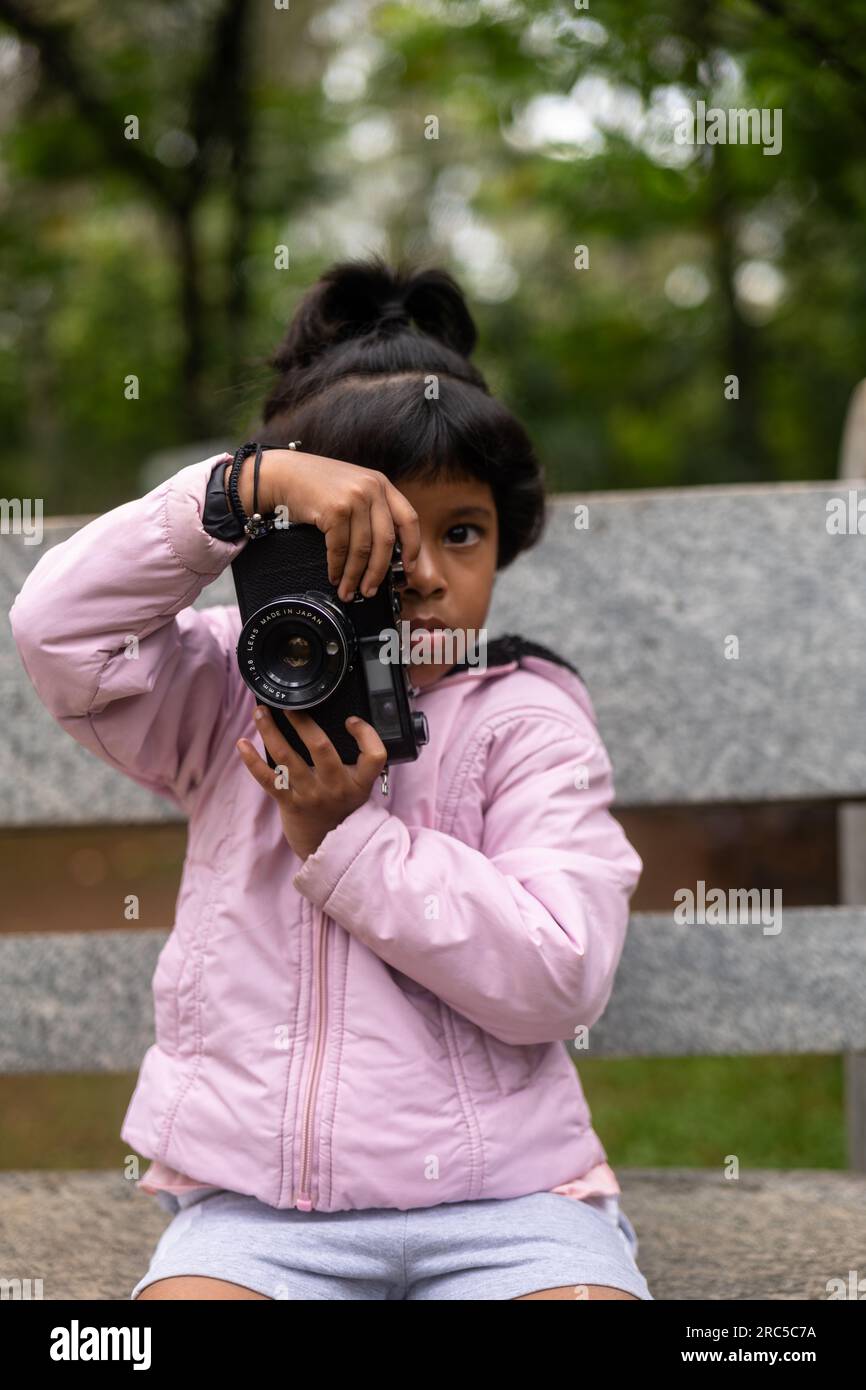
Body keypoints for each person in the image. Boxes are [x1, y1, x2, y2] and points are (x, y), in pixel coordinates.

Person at [9, 254, 652, 1301]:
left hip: (512, 1205)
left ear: (505, 539)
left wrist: (346, 842)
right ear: (297, 543)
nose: (430, 576)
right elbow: (54, 629)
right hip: (258, 1214)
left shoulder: (525, 720)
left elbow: (559, 974)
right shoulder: (225, 686)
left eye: (461, 533)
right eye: (381, 537)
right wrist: (238, 488)